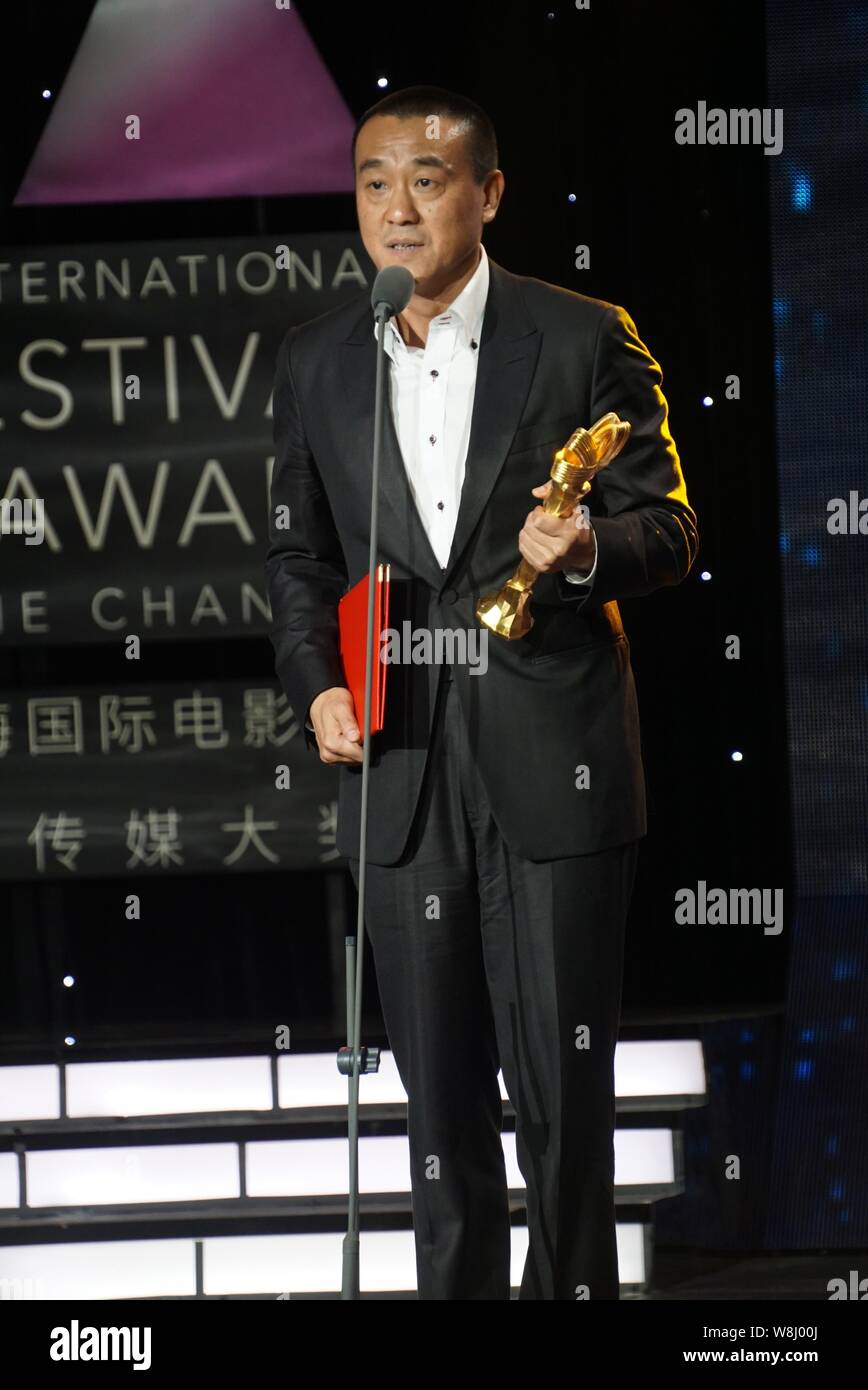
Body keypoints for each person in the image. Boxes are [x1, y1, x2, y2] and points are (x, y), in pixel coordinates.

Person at [265, 84, 698, 1300]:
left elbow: (670, 526)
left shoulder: (578, 335)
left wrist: (591, 554)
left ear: (487, 194)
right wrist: (315, 691)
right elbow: (297, 556)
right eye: (372, 182)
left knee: (563, 1098)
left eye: (426, 179)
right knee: (438, 1105)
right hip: (399, 766)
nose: (396, 210)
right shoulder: (317, 359)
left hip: (551, 752)